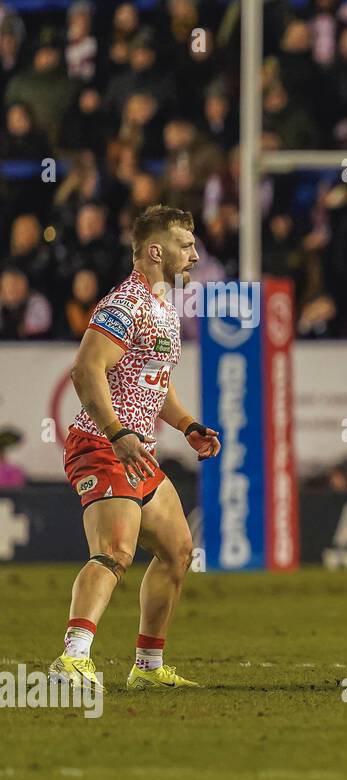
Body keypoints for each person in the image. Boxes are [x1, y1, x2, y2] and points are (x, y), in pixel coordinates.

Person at [51, 204, 220, 691]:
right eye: (185, 245)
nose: (194, 253)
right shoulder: (125, 305)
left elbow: (154, 382)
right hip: (103, 443)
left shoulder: (163, 306)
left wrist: (188, 425)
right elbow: (86, 370)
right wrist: (117, 432)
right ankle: (73, 659)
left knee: (178, 550)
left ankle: (147, 669)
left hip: (135, 447)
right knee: (115, 551)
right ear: (154, 250)